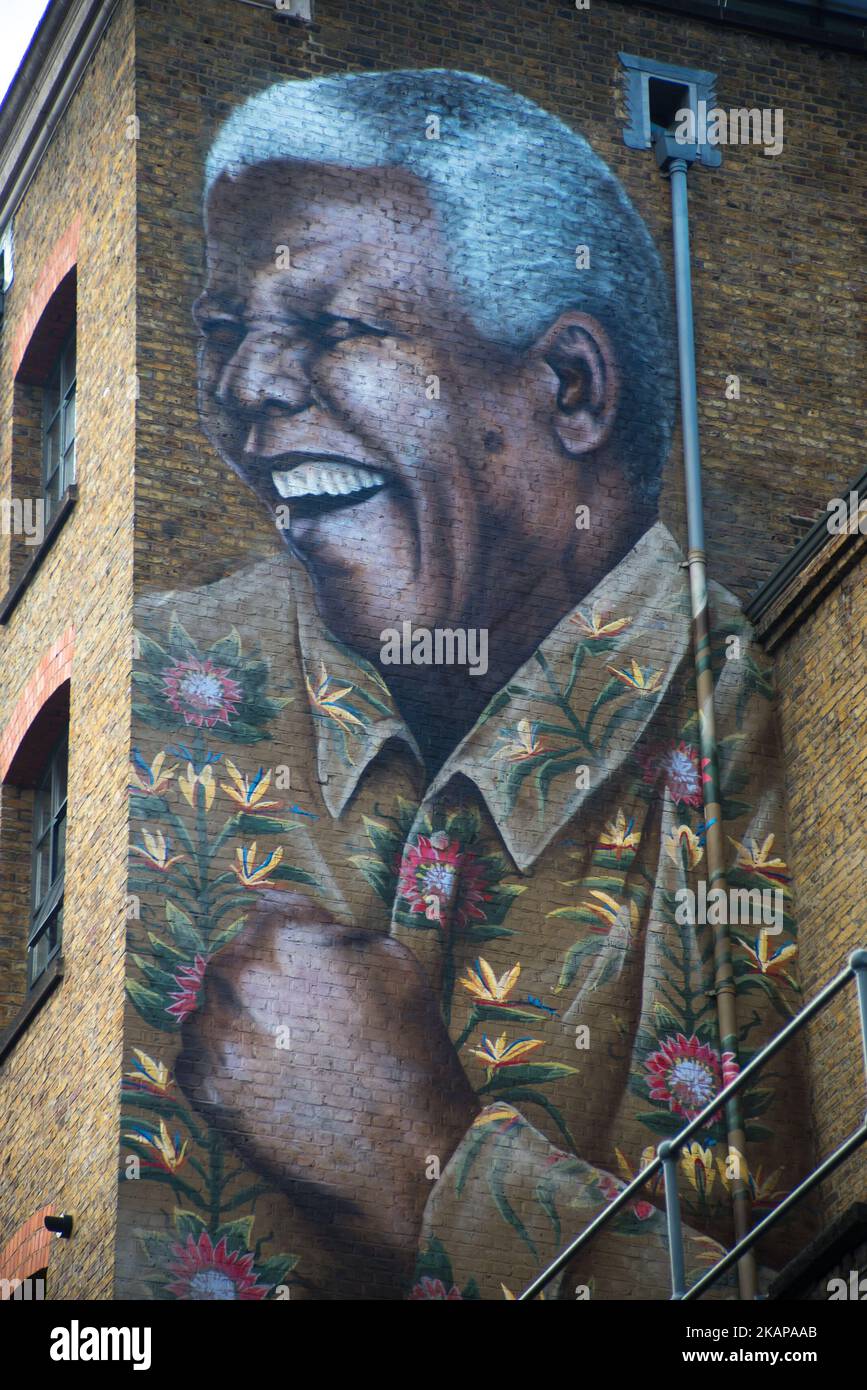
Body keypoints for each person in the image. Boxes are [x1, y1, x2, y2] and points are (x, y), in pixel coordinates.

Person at [135, 71, 806, 1299]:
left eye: (335, 331)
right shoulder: (152, 687)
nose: (246, 391)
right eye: (222, 333)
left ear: (571, 389)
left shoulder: (772, 720)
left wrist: (431, 1170)